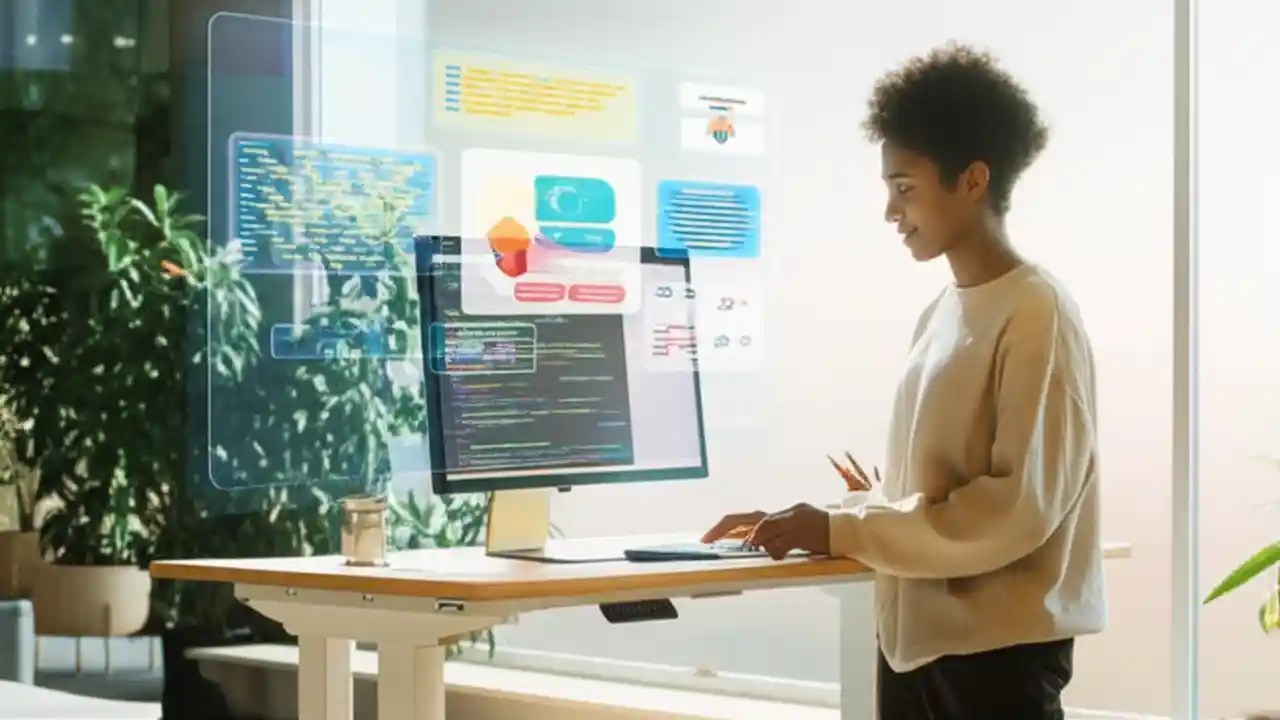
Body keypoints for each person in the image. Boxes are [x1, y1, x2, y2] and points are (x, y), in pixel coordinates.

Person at [702, 42, 1105, 720]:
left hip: (993, 665)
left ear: (972, 180)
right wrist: (837, 516)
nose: (891, 211)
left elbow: (1014, 510)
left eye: (905, 187)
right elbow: (935, 495)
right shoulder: (942, 312)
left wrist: (838, 529)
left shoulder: (1039, 314)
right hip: (917, 647)